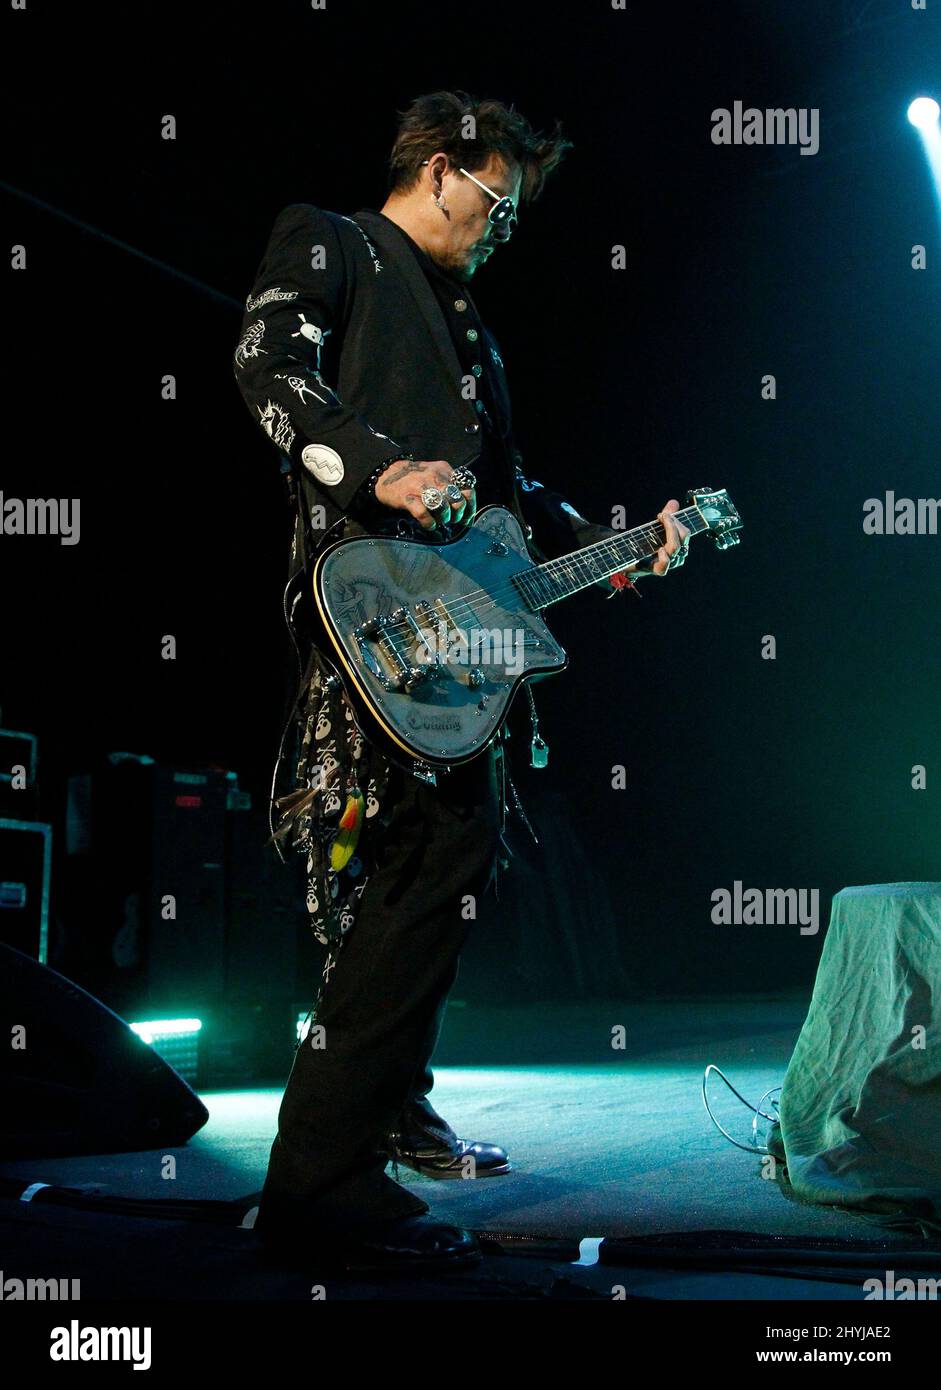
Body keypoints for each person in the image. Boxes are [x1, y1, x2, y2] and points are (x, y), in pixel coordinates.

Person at [233, 90, 690, 1272]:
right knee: (398, 862)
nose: (503, 230)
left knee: (449, 854)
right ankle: (319, 1176)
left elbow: (509, 493)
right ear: (441, 169)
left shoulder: (475, 329)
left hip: (472, 629)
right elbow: (264, 366)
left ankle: (362, 1139)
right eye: (497, 202)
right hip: (371, 603)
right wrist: (378, 471)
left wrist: (616, 538)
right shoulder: (330, 241)